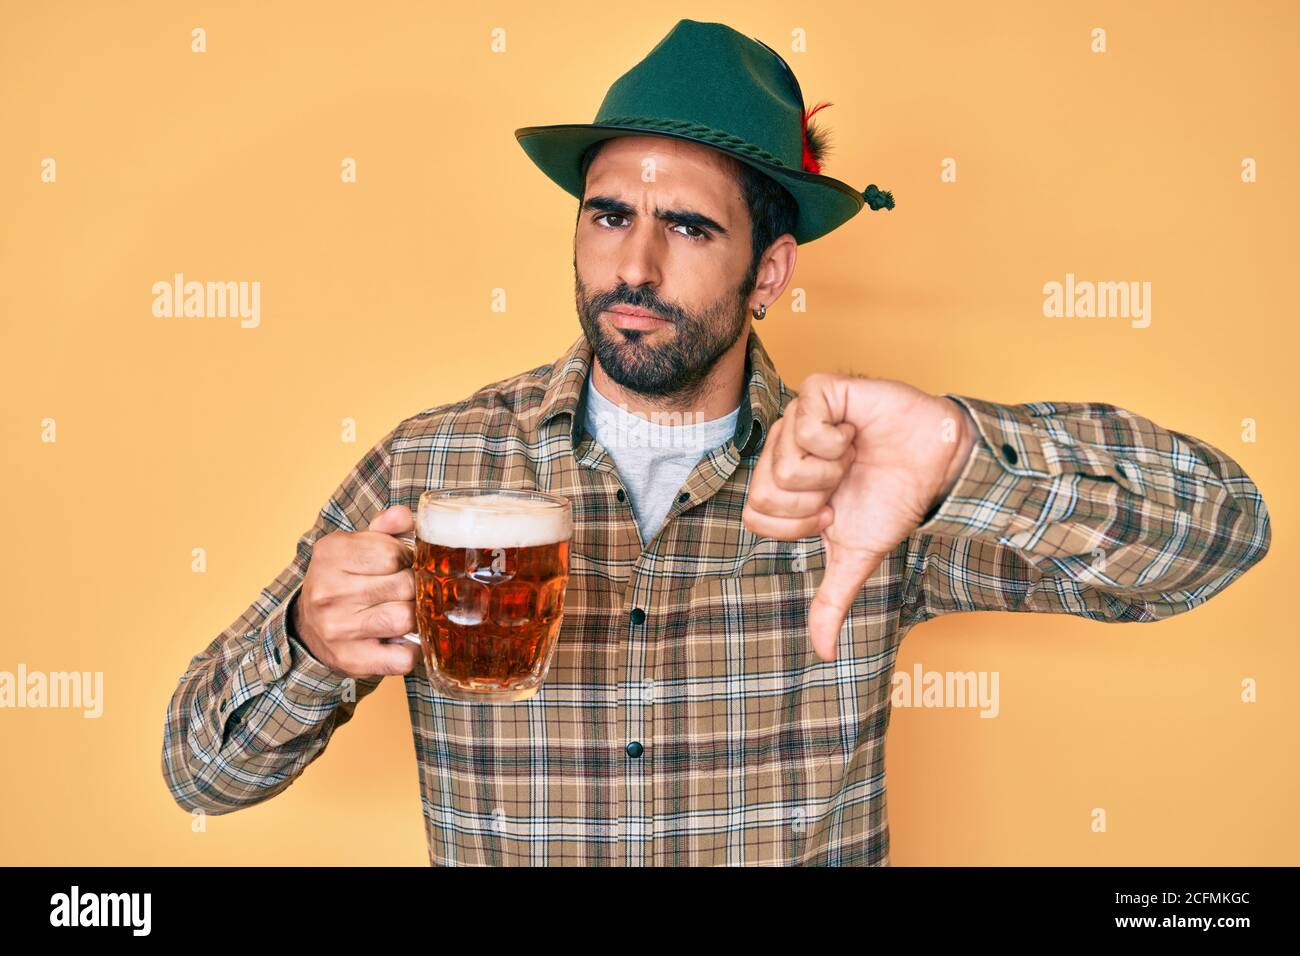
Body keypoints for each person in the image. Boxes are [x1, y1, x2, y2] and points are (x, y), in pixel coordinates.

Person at [161, 19, 1271, 866]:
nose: (632, 267)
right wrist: (307, 643)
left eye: (688, 226)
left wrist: (965, 455)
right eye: (607, 215)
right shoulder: (433, 466)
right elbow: (198, 773)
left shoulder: (861, 481)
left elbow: (1223, 531)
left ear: (771, 270)